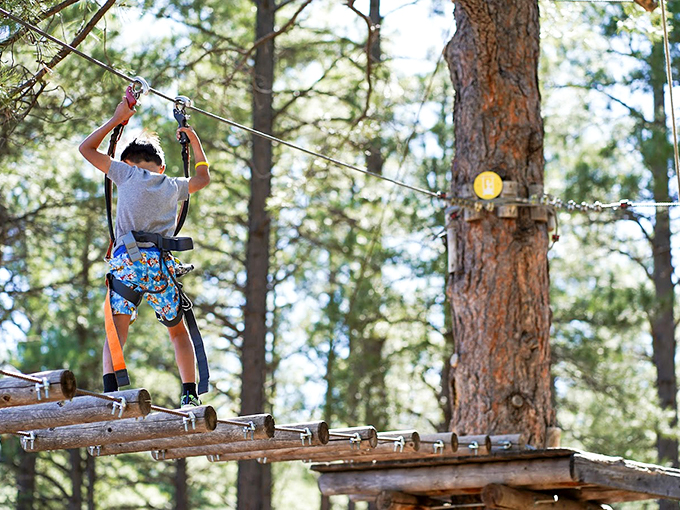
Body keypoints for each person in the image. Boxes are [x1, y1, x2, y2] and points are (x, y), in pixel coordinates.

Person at [79, 98, 210, 408]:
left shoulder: (125, 174)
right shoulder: (171, 185)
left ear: (127, 164)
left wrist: (116, 119)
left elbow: (86, 149)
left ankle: (111, 393)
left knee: (117, 330)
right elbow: (203, 178)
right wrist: (196, 143)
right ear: (160, 166)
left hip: (127, 263)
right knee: (177, 332)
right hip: (160, 267)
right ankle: (189, 393)